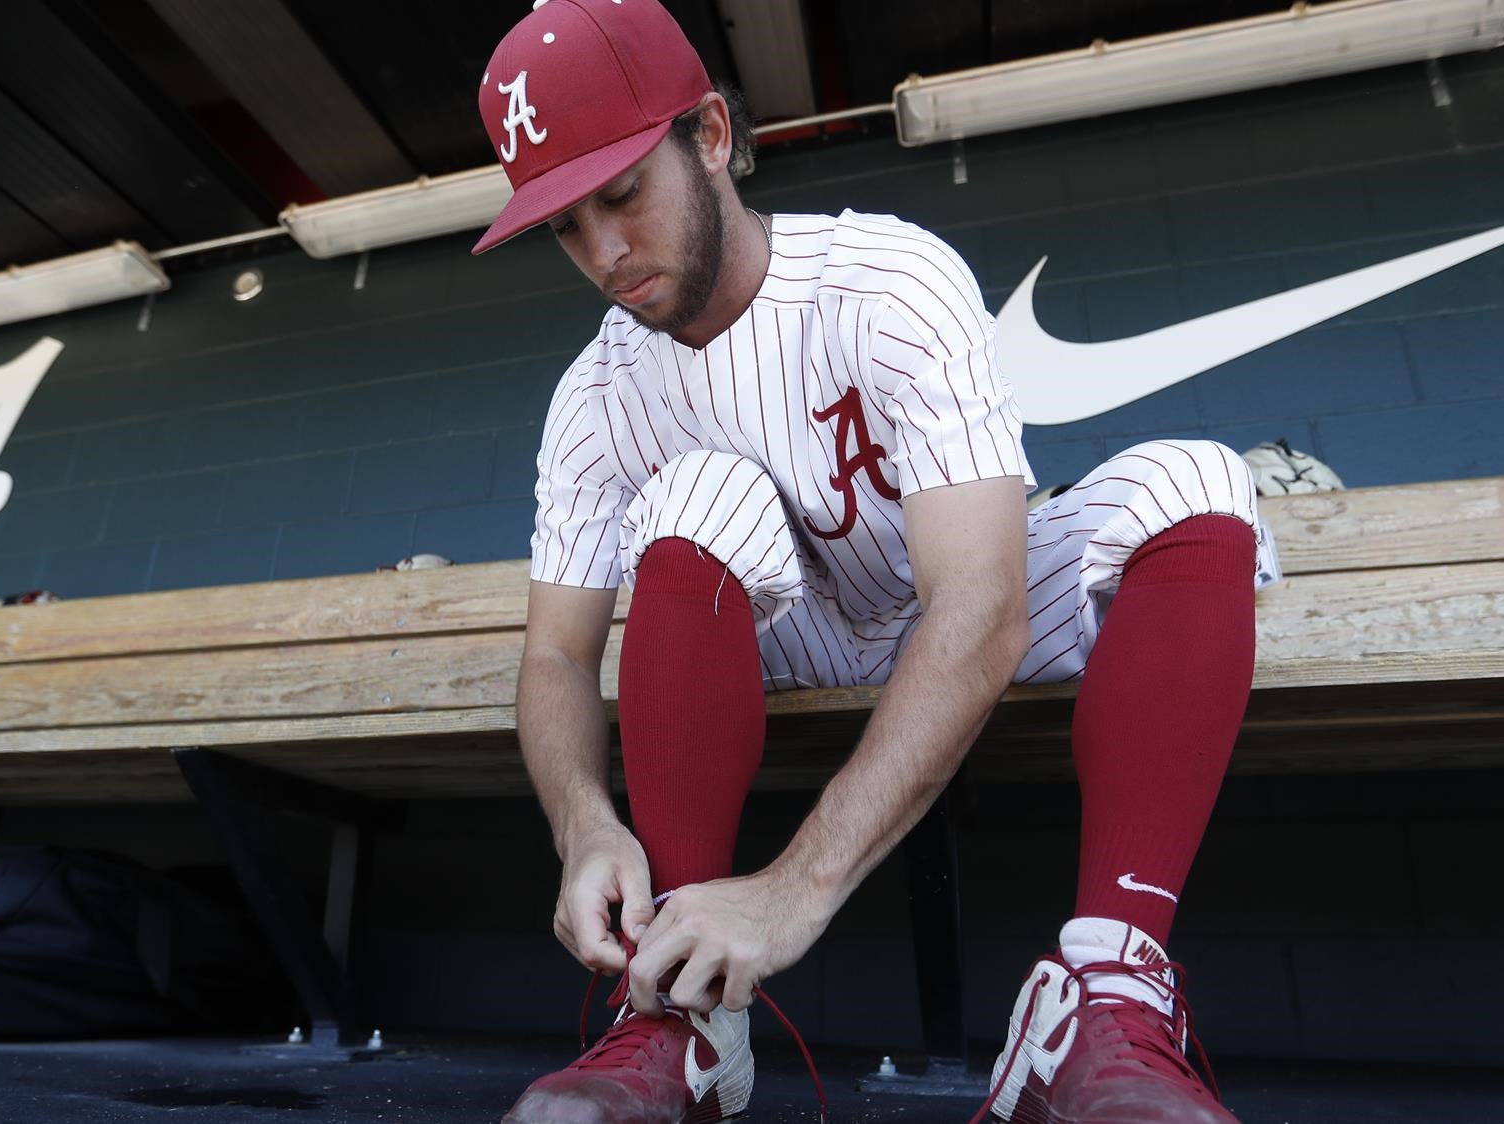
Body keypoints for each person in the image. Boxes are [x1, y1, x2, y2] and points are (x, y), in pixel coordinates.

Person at [469, 3, 1281, 1122]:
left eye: (621, 193)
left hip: (955, 596)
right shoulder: (594, 398)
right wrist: (583, 824)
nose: (603, 252)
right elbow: (555, 655)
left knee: (1192, 478)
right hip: (786, 629)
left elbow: (983, 603)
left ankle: (1100, 989)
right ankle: (678, 1011)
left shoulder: (884, 279)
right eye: (566, 224)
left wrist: (792, 891)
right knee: (692, 491)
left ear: (710, 134)